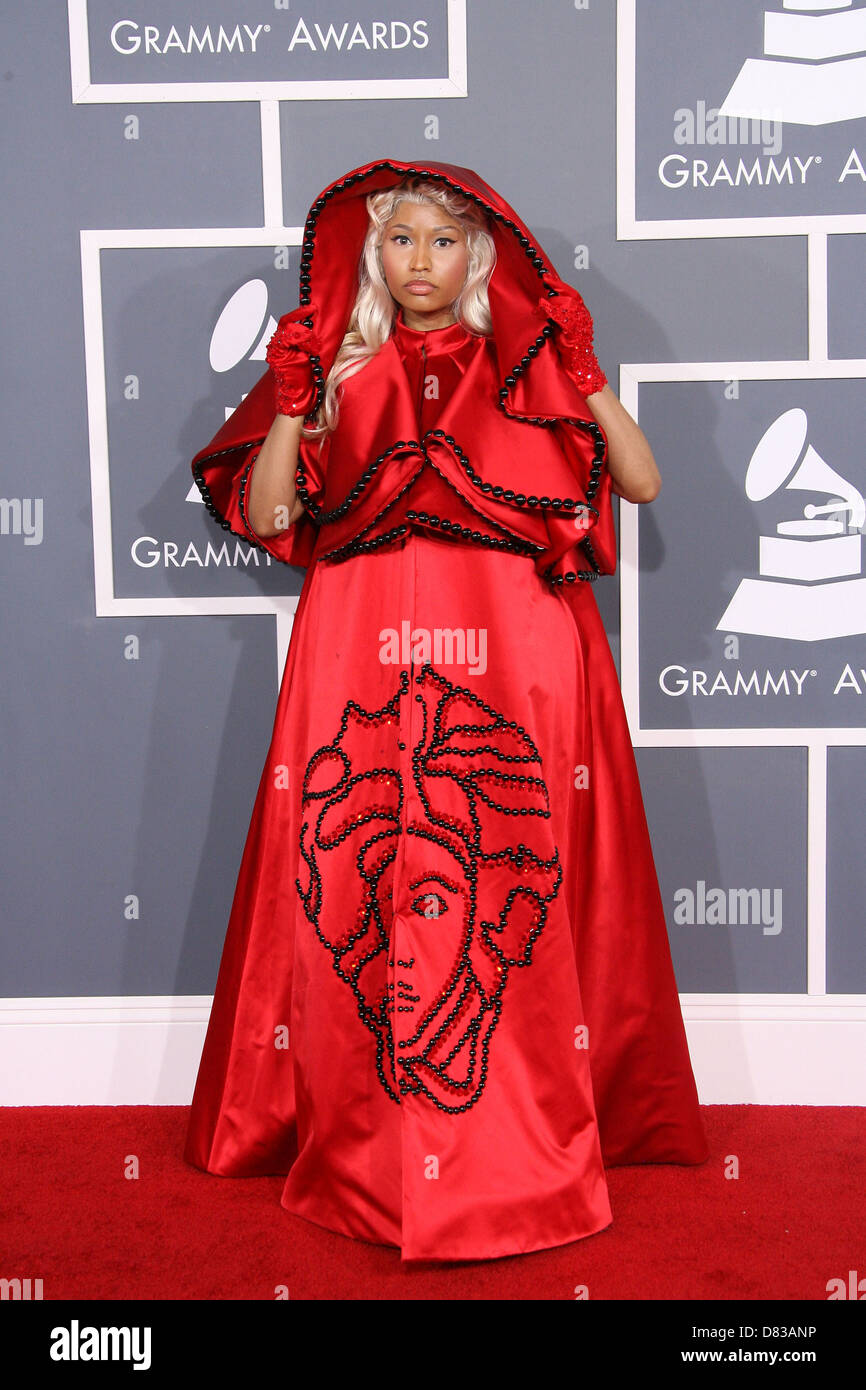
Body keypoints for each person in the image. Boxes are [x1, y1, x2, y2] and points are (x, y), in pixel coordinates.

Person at [184, 157, 709, 1265]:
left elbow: (644, 483)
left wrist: (586, 373)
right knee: (365, 872)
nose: (419, 262)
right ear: (368, 255)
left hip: (514, 649)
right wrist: (290, 408)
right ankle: (360, 1136)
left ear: (479, 257)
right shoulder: (331, 366)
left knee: (504, 874)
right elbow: (271, 512)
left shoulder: (524, 365)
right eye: (399, 240)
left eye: (442, 241)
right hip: (358, 645)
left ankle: (528, 1125)